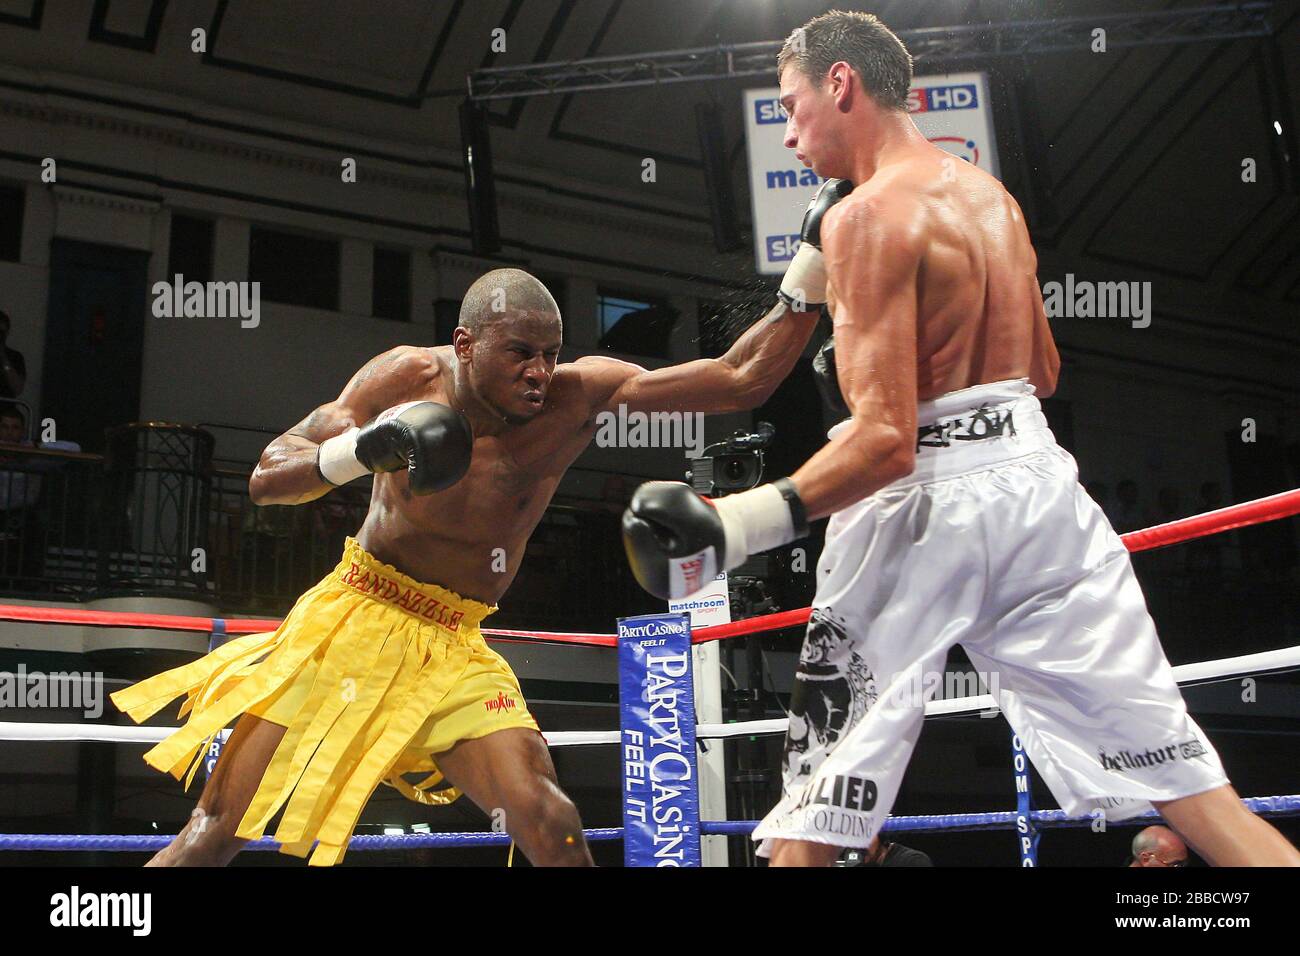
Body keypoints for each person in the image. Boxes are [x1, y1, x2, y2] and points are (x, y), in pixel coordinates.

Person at [621, 11, 1300, 867]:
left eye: (791, 106)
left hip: (920, 508)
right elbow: (1043, 371)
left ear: (842, 84)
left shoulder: (865, 217)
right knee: (1199, 799)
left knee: (816, 813)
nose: (787, 133)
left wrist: (737, 524)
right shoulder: (993, 200)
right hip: (1041, 492)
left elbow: (885, 443)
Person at [111, 252, 831, 866]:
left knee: (552, 825)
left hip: (453, 647)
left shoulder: (580, 396)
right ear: (465, 343)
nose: (540, 371)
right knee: (212, 838)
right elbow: (269, 476)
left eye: (550, 352)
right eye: (520, 352)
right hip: (349, 620)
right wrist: (358, 452)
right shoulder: (404, 379)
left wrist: (809, 270)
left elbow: (743, 379)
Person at [0, 311, 26, 399]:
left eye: (1, 332)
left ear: (7, 333)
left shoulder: (15, 357)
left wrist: (3, 358)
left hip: (5, 408)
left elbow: (17, 389)